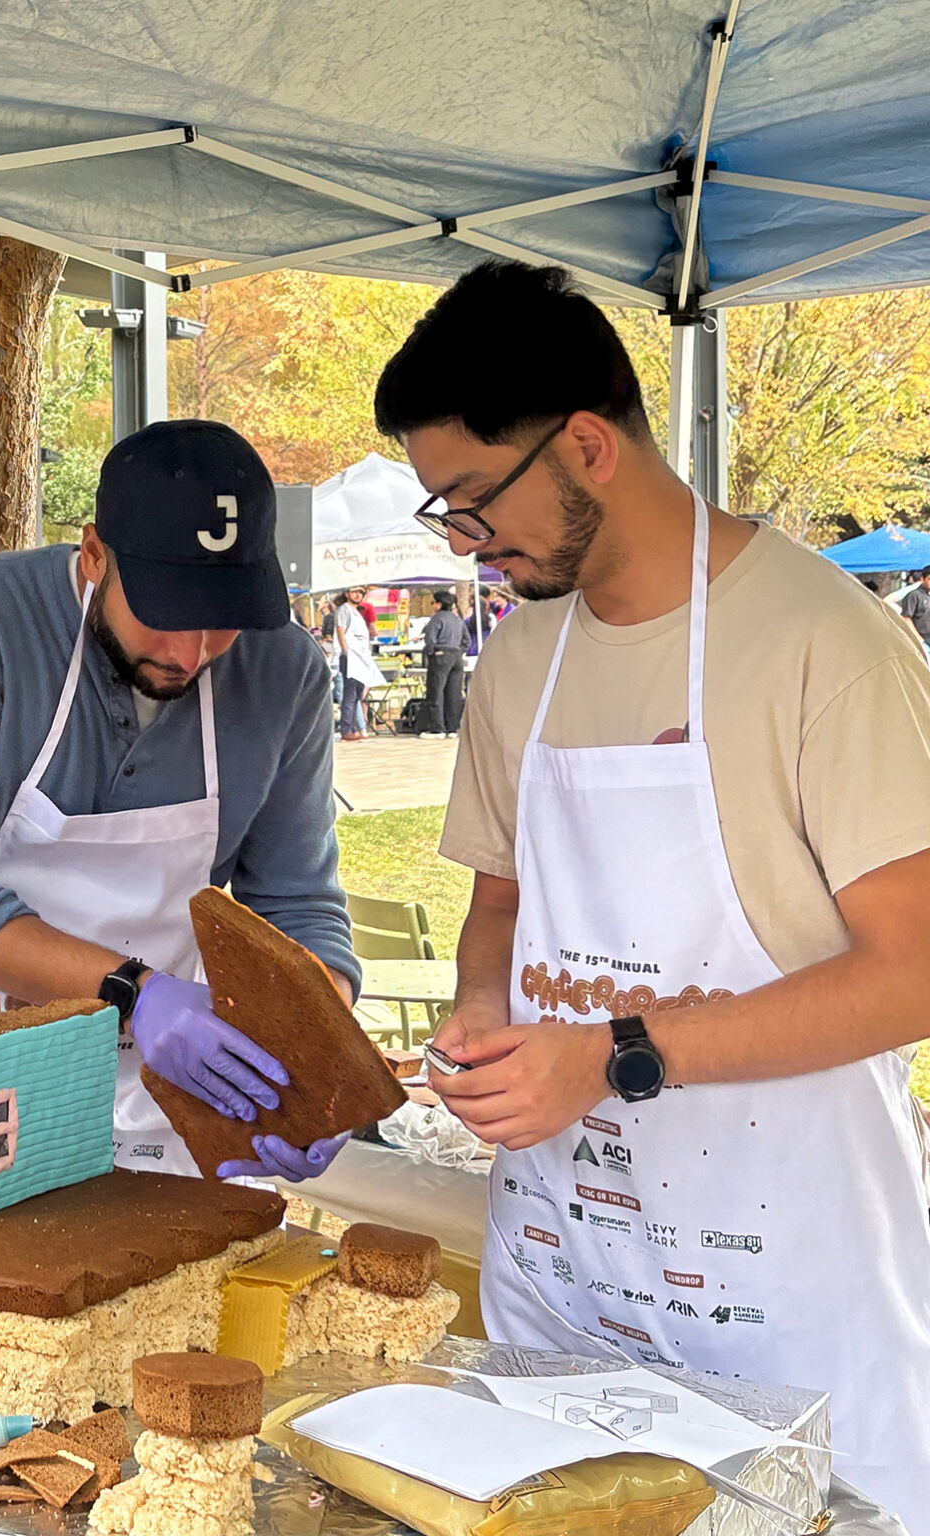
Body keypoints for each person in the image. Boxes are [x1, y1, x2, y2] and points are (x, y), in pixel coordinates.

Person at [380, 259, 930, 1528]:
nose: (467, 542)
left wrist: (621, 1054)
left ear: (584, 444)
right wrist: (477, 1011)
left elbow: (911, 969)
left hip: (783, 1278)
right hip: (572, 1256)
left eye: (471, 499)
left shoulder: (819, 641)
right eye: (442, 516)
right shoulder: (519, 659)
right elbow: (498, 907)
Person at [0, 419, 360, 1183]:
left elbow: (297, 906)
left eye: (224, 619)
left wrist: (314, 1052)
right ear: (94, 554)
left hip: (181, 1104)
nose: (190, 654)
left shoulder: (284, 674)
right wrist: (135, 995)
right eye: (167, 613)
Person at [332, 587, 383, 740]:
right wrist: (346, 651)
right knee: (349, 694)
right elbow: (340, 632)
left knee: (357, 695)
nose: (357, 595)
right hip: (350, 657)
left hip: (361, 658)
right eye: (354, 592)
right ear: (347, 594)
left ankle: (355, 727)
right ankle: (347, 729)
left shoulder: (358, 613)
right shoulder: (343, 610)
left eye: (360, 592)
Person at [417, 589, 468, 738]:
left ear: (439, 604)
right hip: (457, 657)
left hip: (440, 656)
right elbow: (466, 640)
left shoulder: (436, 619)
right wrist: (459, 651)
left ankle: (437, 728)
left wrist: (431, 652)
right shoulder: (457, 620)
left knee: (436, 692)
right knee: (454, 693)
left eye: (433, 602)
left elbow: (430, 640)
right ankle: (452, 728)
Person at [900, 565, 930, 653]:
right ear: (922, 579)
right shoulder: (915, 595)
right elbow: (906, 618)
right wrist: (919, 640)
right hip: (922, 642)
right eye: (929, 579)